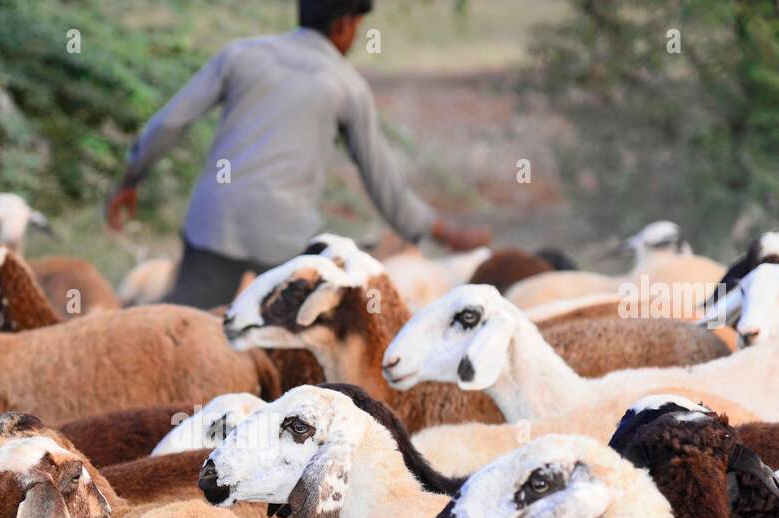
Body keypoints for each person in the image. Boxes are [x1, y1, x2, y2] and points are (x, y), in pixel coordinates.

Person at [105, 0, 491, 309]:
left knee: (187, 327)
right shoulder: (347, 86)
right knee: (293, 337)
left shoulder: (239, 55)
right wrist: (447, 234)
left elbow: (169, 123)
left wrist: (130, 179)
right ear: (344, 25)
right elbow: (384, 183)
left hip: (216, 222)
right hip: (284, 239)